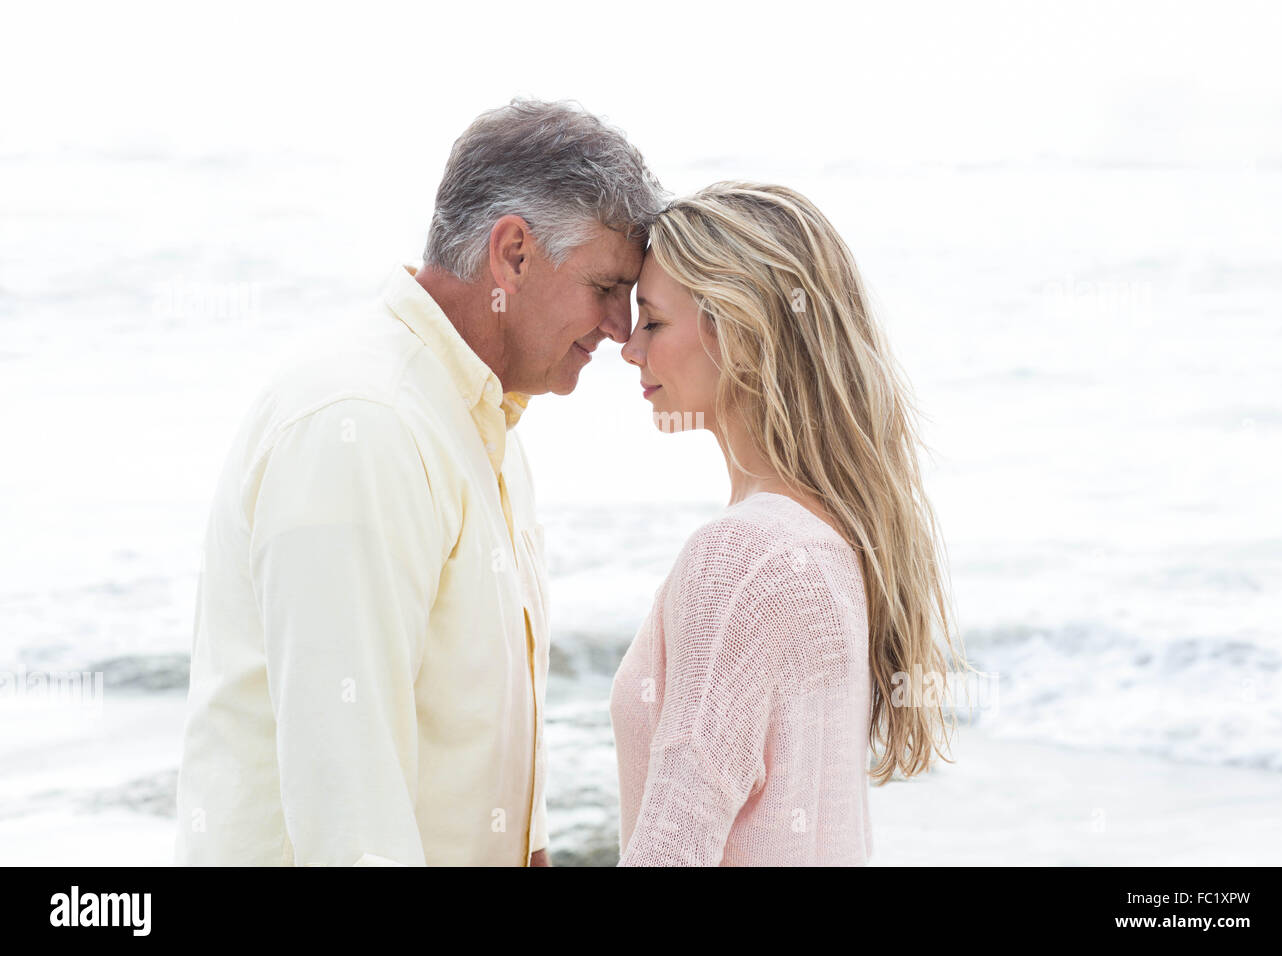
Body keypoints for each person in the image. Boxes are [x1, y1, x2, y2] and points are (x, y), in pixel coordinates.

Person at [174, 98, 665, 866]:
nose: (619, 327)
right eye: (606, 286)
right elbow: (350, 811)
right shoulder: (365, 423)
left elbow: (481, 760)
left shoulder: (482, 423)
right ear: (514, 254)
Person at [612, 182, 967, 865]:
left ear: (741, 333)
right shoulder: (829, 542)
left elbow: (670, 853)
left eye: (652, 321)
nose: (630, 349)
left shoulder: (742, 555)